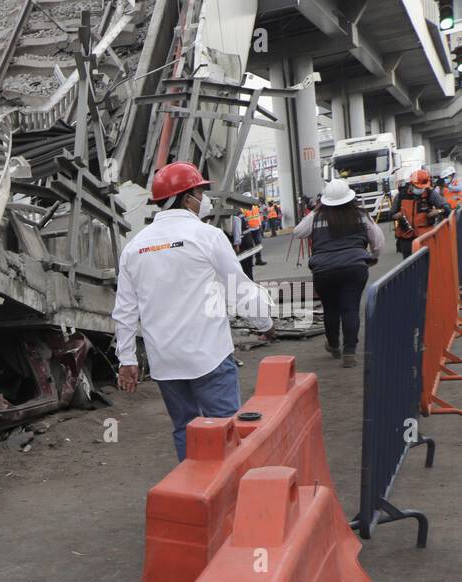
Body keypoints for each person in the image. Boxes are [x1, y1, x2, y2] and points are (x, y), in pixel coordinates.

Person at [114, 162, 276, 460]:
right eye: (201, 191)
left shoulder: (134, 247)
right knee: (225, 426)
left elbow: (124, 311)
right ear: (187, 197)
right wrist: (264, 323)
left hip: (166, 360)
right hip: (209, 355)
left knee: (184, 430)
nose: (204, 198)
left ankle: (194, 497)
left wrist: (126, 359)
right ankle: (228, 496)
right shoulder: (208, 236)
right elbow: (238, 288)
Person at [292, 179, 384, 368]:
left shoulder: (317, 216)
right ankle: (349, 352)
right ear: (350, 197)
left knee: (331, 309)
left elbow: (298, 232)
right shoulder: (360, 215)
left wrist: (316, 210)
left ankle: (334, 345)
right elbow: (378, 239)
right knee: (350, 309)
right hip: (354, 267)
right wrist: (373, 256)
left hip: (323, 270)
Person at [393, 169, 450, 258]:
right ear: (411, 184)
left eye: (422, 188)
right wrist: (396, 216)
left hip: (426, 238)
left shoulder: (430, 193)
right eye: (418, 187)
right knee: (410, 266)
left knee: (428, 264)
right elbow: (392, 214)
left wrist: (438, 211)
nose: (420, 190)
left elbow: (447, 208)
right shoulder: (401, 196)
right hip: (406, 239)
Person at [229, 207, 255, 280]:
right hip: (248, 239)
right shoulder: (240, 212)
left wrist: (236, 244)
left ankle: (248, 287)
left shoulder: (234, 214)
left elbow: (237, 229)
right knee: (249, 268)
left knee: (244, 268)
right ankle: (251, 284)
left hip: (243, 243)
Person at [245, 198, 267, 264]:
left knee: (258, 244)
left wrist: (260, 226)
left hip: (256, 228)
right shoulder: (243, 208)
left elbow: (258, 217)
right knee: (250, 246)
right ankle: (250, 261)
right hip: (249, 230)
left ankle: (258, 260)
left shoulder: (255, 207)